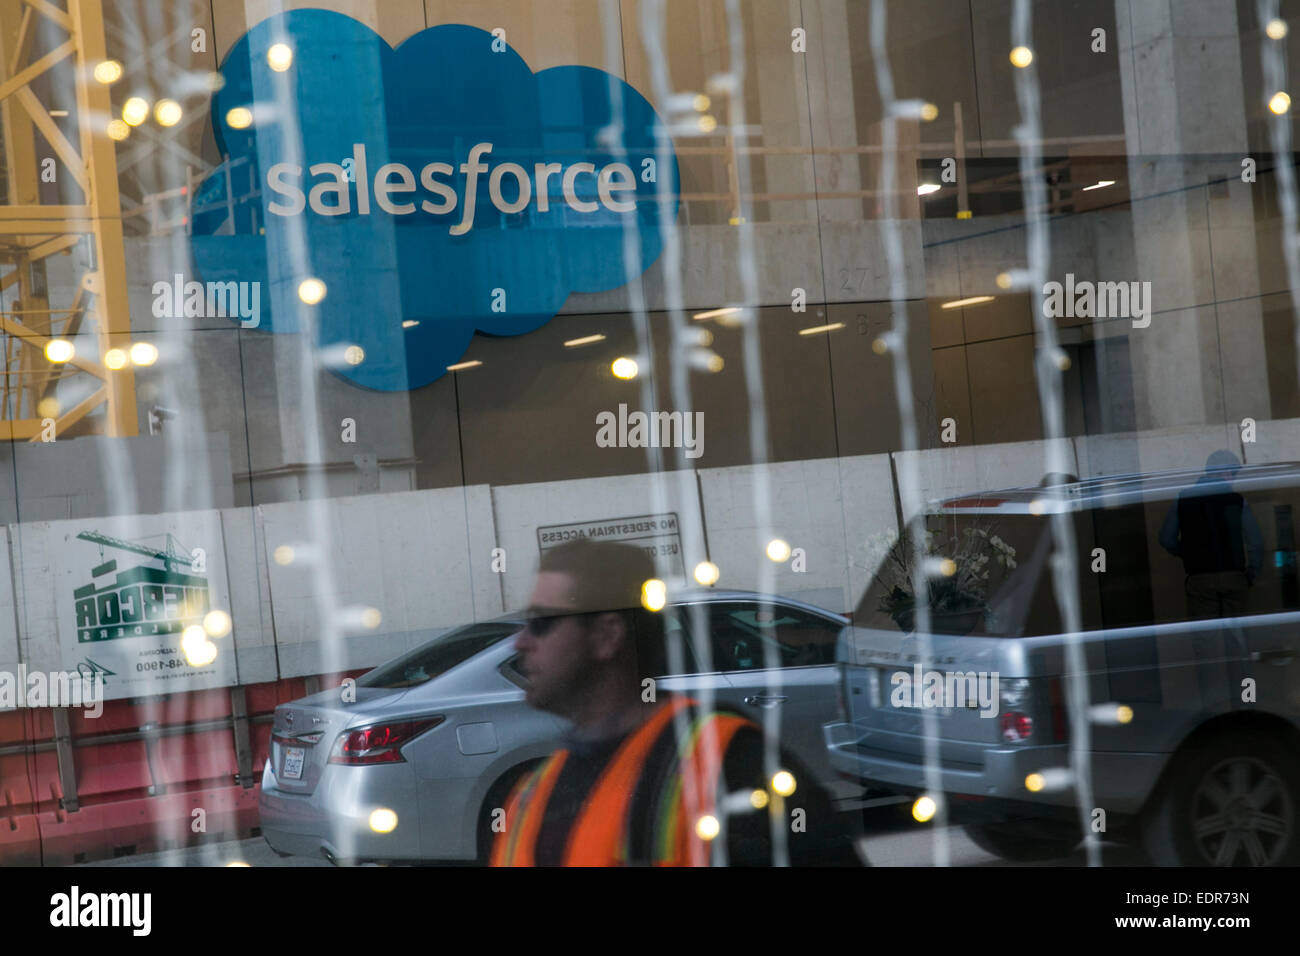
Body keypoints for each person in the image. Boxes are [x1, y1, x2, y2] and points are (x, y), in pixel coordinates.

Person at [491, 537, 859, 866]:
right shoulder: (536, 791)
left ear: (607, 636)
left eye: (540, 622)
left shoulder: (727, 762)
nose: (520, 643)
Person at [1158, 450, 1264, 619]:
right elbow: (1256, 543)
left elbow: (1166, 539)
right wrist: (1250, 575)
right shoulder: (1237, 500)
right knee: (1237, 638)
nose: (1234, 479)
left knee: (1206, 638)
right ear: (1226, 472)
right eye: (1233, 474)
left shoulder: (1183, 499)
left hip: (1200, 579)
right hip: (1233, 576)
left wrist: (1187, 554)